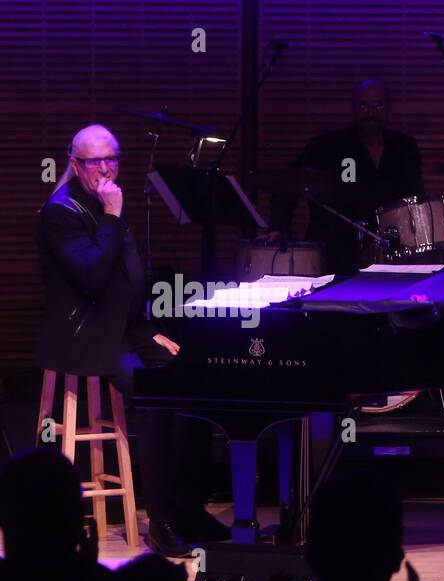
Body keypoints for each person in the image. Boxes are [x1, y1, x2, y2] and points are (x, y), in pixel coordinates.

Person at [36, 124, 221, 555]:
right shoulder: (61, 212)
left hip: (125, 330)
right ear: (75, 163)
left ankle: (189, 507)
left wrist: (150, 328)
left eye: (112, 158)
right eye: (95, 161)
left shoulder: (107, 202)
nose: (105, 169)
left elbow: (127, 285)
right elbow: (94, 278)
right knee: (158, 397)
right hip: (86, 337)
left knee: (195, 382)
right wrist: (114, 217)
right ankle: (161, 520)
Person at [265, 80, 423, 274]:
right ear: (353, 108)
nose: (371, 112)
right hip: (335, 253)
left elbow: (416, 197)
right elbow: (289, 185)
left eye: (378, 105)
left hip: (391, 253)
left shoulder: (404, 147)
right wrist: (279, 228)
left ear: (388, 109)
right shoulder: (326, 146)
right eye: (363, 105)